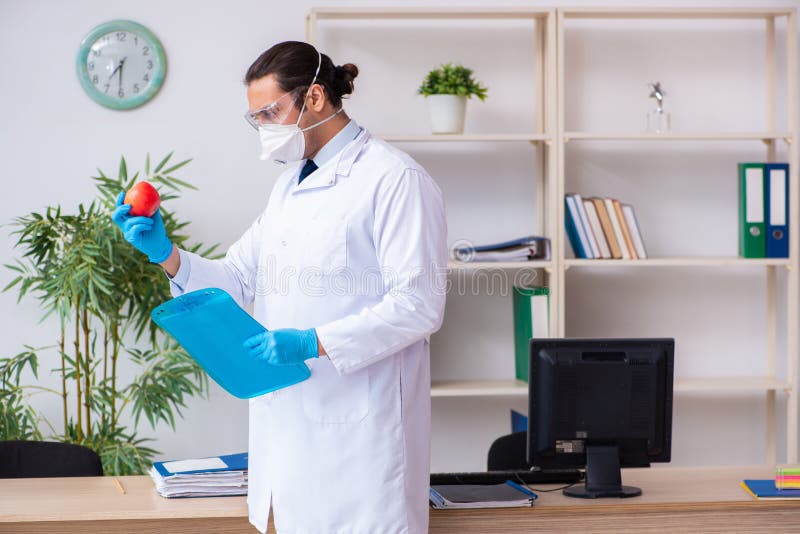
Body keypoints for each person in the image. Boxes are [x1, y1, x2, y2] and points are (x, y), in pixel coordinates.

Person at [113, 40, 447, 534]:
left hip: (361, 445)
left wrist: (313, 342)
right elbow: (238, 279)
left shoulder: (394, 179)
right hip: (290, 439)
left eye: (270, 112)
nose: (266, 129)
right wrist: (167, 255)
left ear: (314, 97)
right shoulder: (289, 186)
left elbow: (419, 306)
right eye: (257, 119)